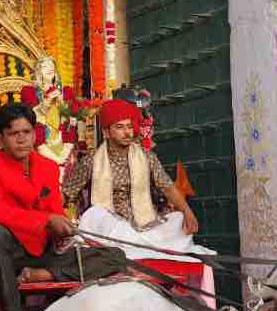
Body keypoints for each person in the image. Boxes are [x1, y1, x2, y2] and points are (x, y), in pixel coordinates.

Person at [0, 102, 127, 311]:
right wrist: (46, 220)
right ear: (1, 138)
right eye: (14, 134)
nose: (22, 139)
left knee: (116, 256)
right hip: (12, 254)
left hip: (46, 251)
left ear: (35, 134)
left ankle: (43, 274)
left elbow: (55, 209)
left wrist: (64, 232)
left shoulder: (47, 167)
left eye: (26, 132)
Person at [63, 98, 212, 259]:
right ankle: (140, 246)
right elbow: (66, 193)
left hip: (145, 225)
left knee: (177, 219)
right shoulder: (91, 161)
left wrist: (187, 212)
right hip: (112, 227)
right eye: (119, 127)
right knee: (96, 214)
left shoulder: (146, 157)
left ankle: (140, 245)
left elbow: (167, 186)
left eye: (129, 126)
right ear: (106, 132)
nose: (127, 132)